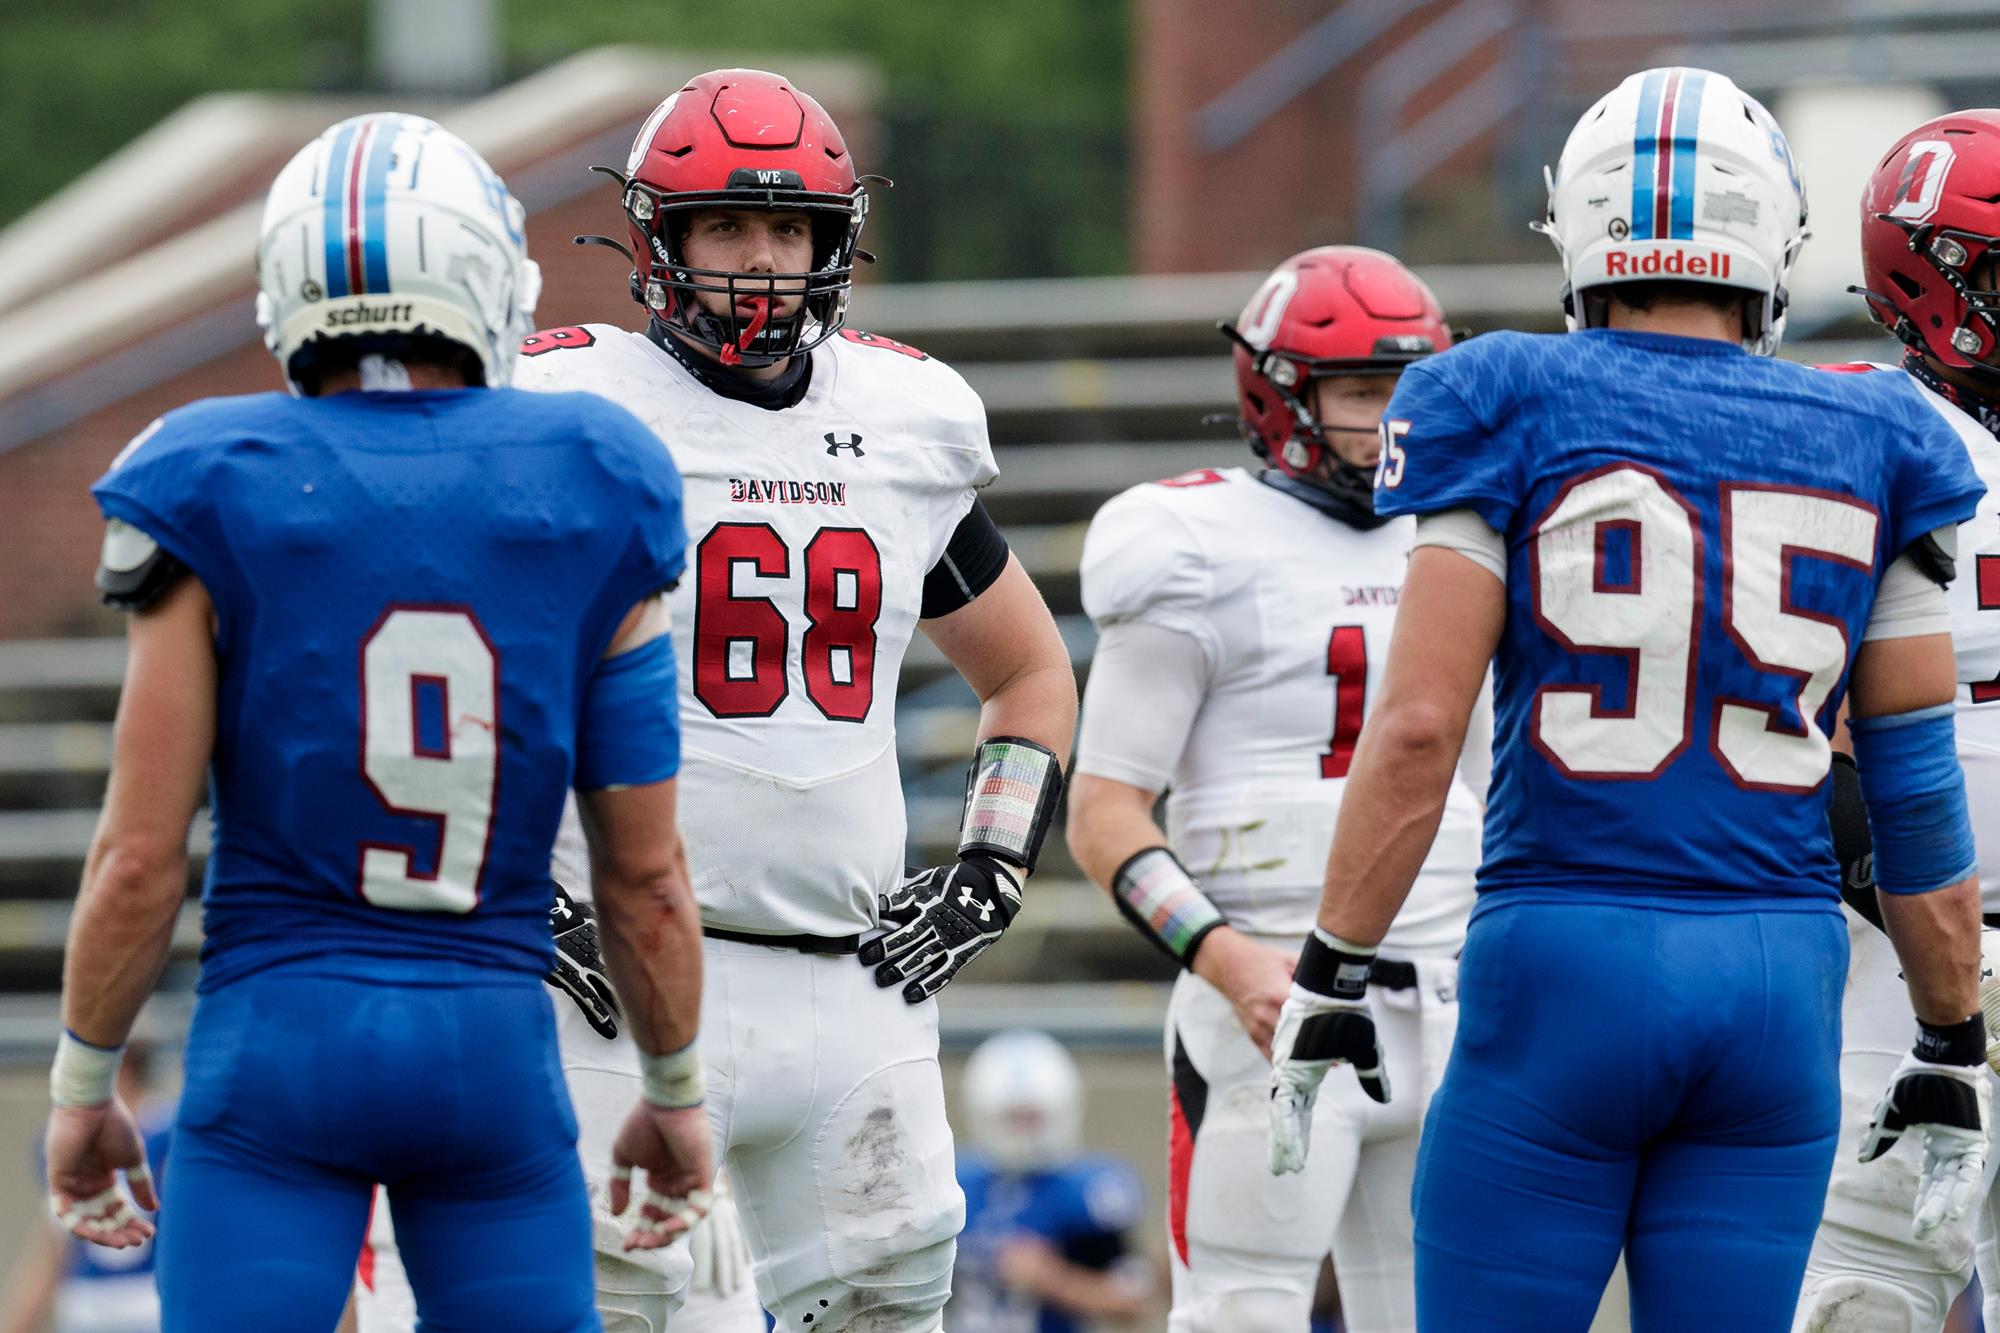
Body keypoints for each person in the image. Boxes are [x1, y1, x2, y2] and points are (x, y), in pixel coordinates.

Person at [1264, 67, 1992, 1332]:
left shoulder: (1494, 392)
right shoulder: (1880, 434)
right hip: (1775, 979)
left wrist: (1329, 965)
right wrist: (1949, 1037)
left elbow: (1422, 725)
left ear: (1579, 231)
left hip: (1563, 946)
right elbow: (1913, 784)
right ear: (1771, 238)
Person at [44, 112, 712, 1331]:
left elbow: (138, 861)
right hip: (491, 1051)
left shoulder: (208, 471)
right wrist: (672, 1087)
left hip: (273, 1046)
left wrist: (85, 1085)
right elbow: (648, 878)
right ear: (484, 276)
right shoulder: (594, 471)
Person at [508, 68, 1078, 1331]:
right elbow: (455, 654)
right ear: (661, 238)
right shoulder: (567, 411)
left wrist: (988, 863)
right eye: (726, 226)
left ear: (833, 244)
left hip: (850, 983)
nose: (760, 262)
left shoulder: (899, 423)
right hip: (621, 979)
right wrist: (505, 879)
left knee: (888, 1301)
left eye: (790, 230)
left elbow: (1030, 672)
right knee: (620, 1303)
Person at [1065, 245, 1480, 1331]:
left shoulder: (1465, 537)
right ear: (1277, 394)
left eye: (1406, 390)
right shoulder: (1198, 543)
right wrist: (1229, 962)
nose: (1387, 419)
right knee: (1238, 1314)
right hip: (1268, 1009)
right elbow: (1102, 814)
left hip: (1447, 1006)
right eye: (1358, 390)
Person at [1790, 109, 2000, 1333]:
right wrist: (1880, 859)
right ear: (1935, 278)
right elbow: (1762, 699)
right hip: (1895, 956)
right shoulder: (1851, 433)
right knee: (1859, 1299)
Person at [947, 1030, 1153, 1333]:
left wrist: (1053, 1279)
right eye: (1013, 1118)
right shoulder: (954, 1183)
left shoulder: (1089, 1191)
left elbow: (1135, 1302)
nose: (1023, 1132)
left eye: (1031, 1118)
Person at [1, 1043, 171, 1333]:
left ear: (117, 1069)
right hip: (114, 1306)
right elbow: (55, 1245)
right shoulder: (172, 1129)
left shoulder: (167, 1133)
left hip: (127, 1304)